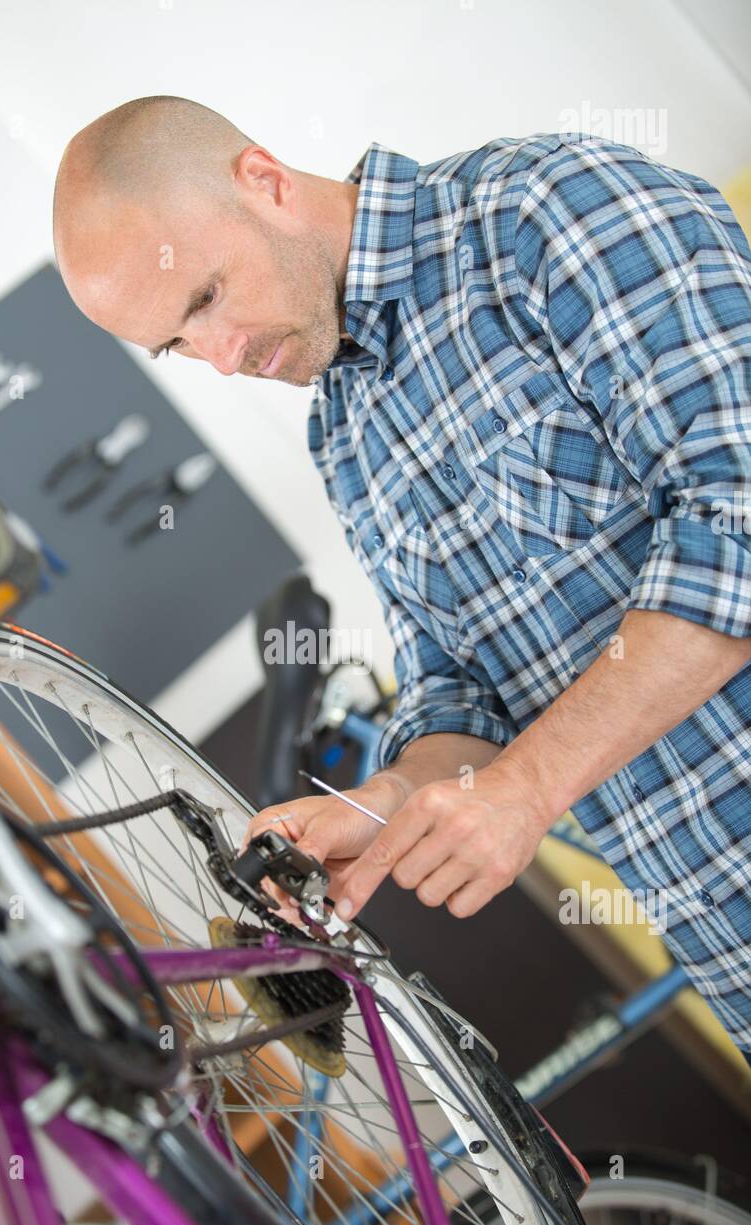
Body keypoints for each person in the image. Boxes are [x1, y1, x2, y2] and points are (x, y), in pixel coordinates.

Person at [54, 96, 751, 1065]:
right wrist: (376, 803)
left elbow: (736, 515)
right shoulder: (340, 435)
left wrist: (530, 785)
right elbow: (463, 689)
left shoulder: (545, 214)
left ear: (264, 182)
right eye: (176, 345)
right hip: (724, 946)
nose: (220, 361)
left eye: (205, 296)